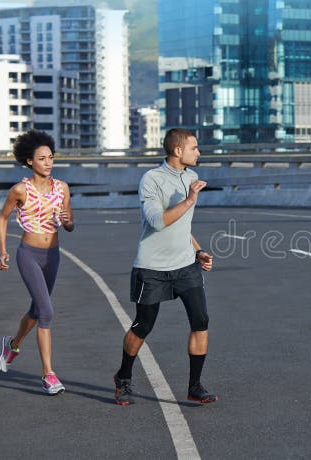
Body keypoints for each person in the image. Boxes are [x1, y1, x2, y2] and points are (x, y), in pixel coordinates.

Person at [113, 128, 216, 405]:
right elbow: (157, 221)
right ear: (178, 151)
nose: (199, 153)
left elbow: (184, 225)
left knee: (201, 321)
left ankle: (194, 386)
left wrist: (199, 250)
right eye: (194, 148)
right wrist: (190, 200)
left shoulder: (191, 177)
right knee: (143, 325)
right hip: (152, 268)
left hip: (186, 265)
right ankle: (123, 377)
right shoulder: (151, 180)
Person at [0, 130, 74, 395]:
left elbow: (70, 224)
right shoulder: (20, 190)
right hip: (28, 254)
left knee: (37, 309)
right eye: (42, 158)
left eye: (51, 157)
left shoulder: (62, 188)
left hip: (53, 254)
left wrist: (66, 221)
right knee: (47, 312)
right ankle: (48, 375)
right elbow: (3, 218)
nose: (48, 163)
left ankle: (12, 344)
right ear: (30, 161)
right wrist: (3, 251)